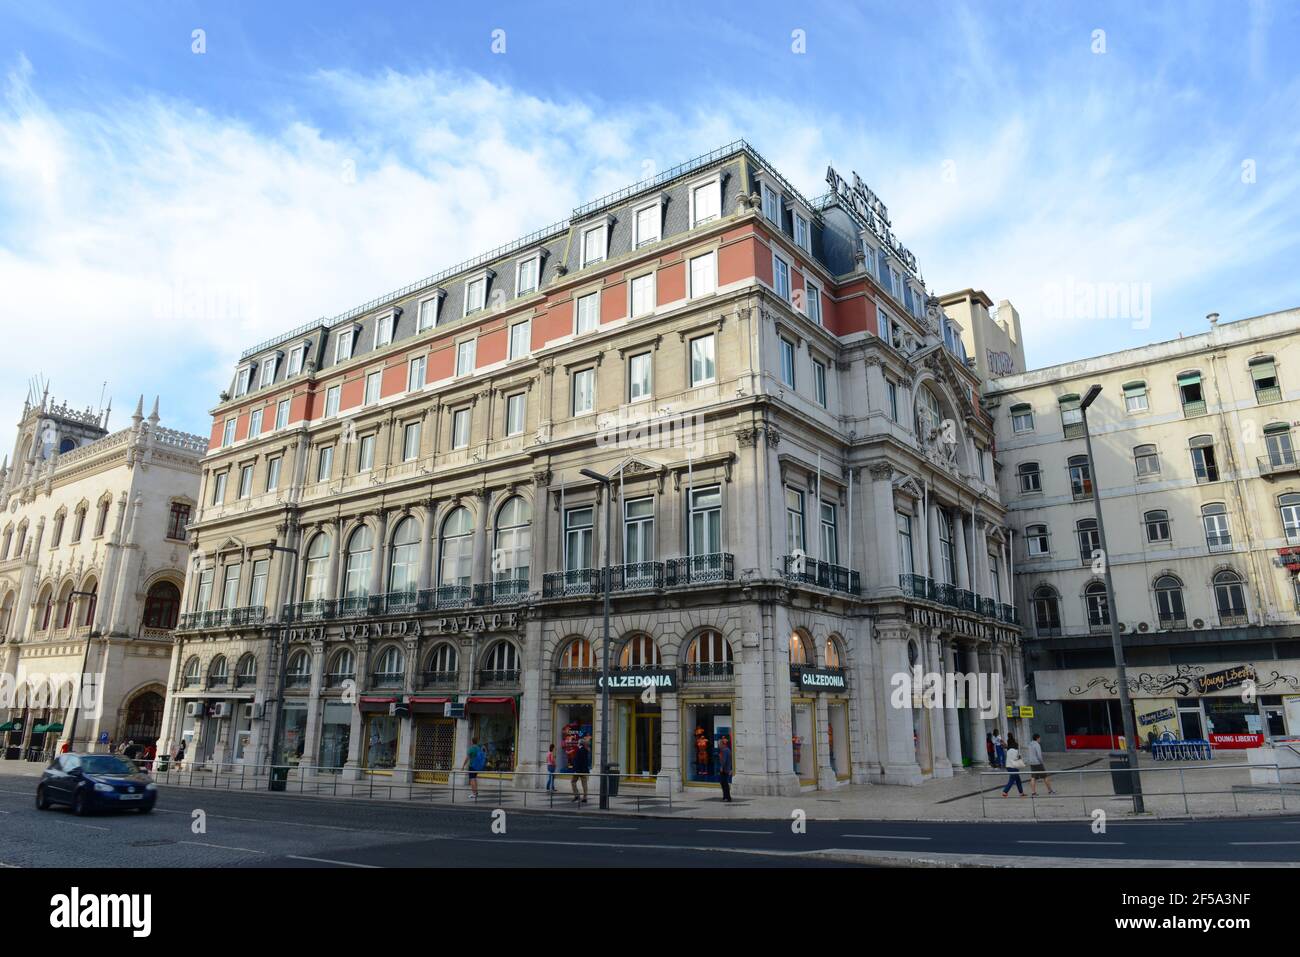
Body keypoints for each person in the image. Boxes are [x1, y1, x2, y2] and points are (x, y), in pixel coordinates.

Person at [570, 736, 591, 805]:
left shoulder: (579, 750)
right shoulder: (585, 750)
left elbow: (578, 761)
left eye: (578, 743)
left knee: (573, 781)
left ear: (580, 744)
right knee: (584, 783)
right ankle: (585, 797)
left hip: (578, 770)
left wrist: (576, 770)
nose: (577, 744)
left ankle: (576, 795)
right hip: (584, 770)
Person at [717, 735, 733, 802]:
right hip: (725, 769)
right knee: (723, 783)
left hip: (725, 769)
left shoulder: (725, 750)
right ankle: (725, 796)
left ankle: (727, 797)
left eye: (719, 744)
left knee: (724, 783)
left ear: (722, 744)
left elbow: (724, 760)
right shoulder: (724, 750)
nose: (718, 745)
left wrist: (721, 767)